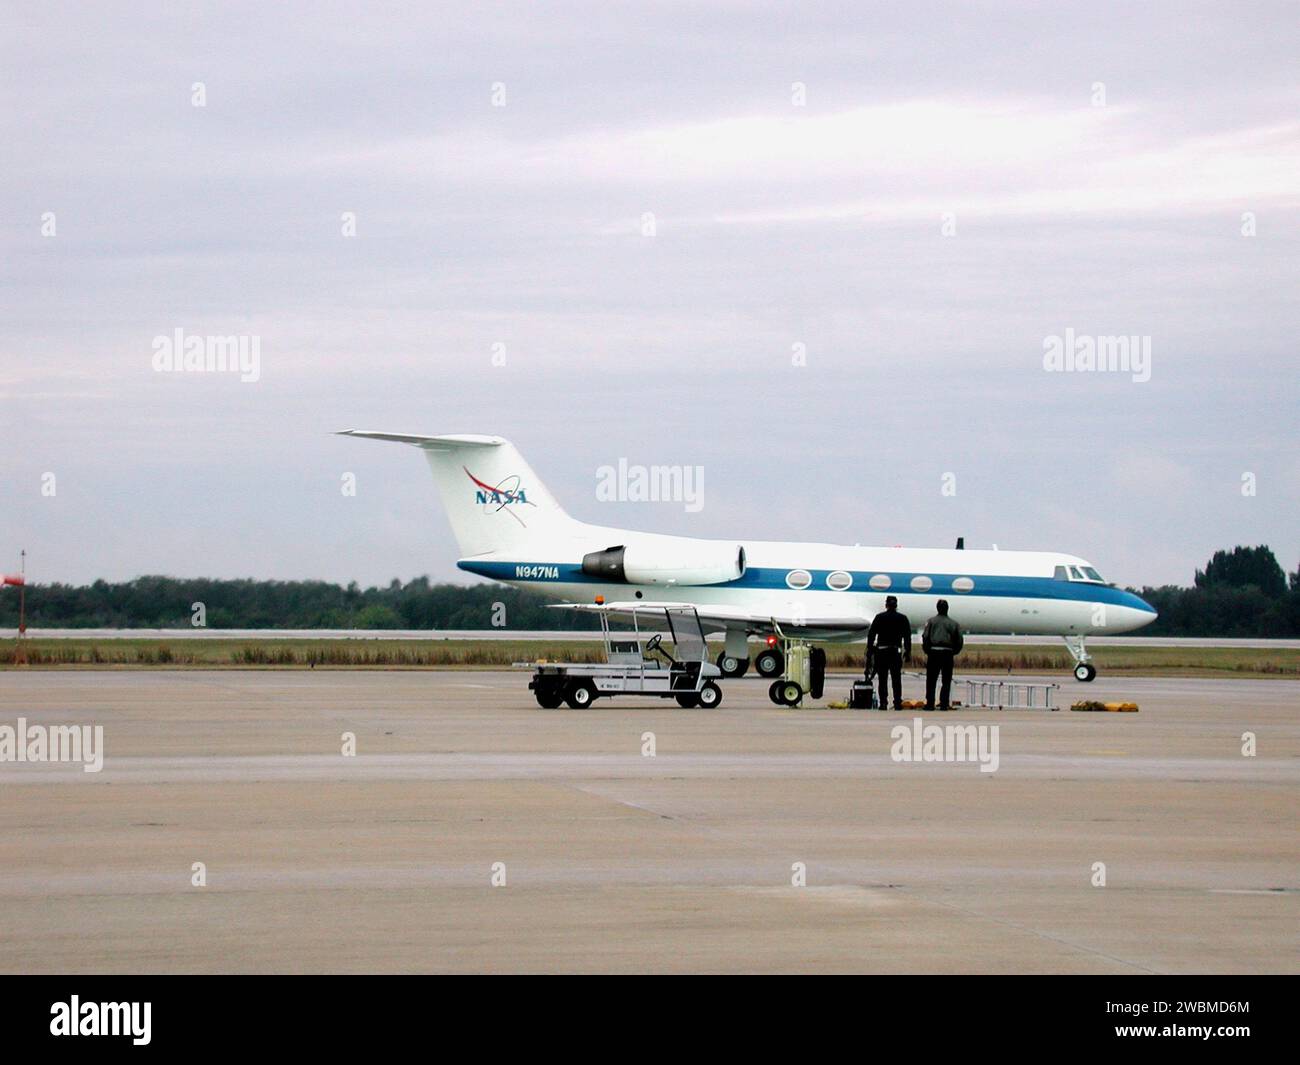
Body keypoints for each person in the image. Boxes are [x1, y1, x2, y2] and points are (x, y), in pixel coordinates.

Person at [866, 595, 912, 711]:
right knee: (896, 679)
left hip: (882, 651)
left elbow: (871, 634)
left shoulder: (880, 617)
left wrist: (870, 649)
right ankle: (897, 702)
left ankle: (883, 703)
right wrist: (908, 651)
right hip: (895, 652)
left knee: (883, 678)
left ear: (886, 605)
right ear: (896, 605)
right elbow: (907, 637)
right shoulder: (902, 618)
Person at [922, 599, 964, 711]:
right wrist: (954, 651)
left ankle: (930, 703)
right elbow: (959, 640)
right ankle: (944, 703)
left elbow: (925, 637)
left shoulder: (931, 621)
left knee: (931, 680)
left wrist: (927, 650)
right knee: (946, 680)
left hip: (934, 653)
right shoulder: (954, 624)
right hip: (947, 653)